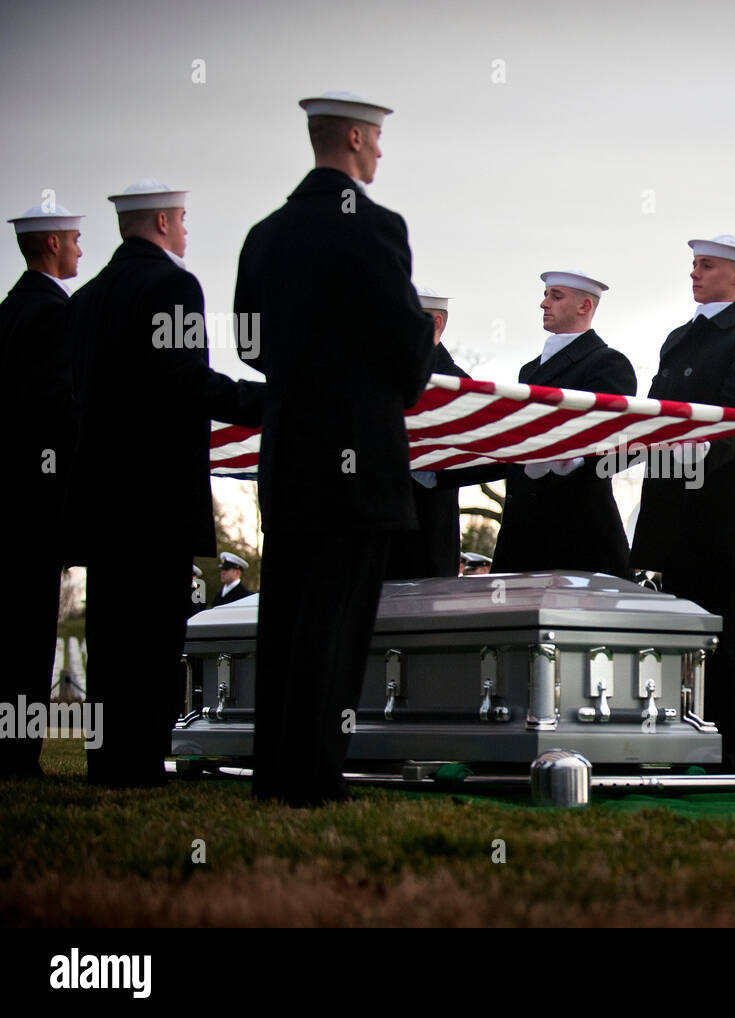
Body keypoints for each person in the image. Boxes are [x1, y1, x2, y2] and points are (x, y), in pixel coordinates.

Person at [234, 91, 435, 805]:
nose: (380, 152)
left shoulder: (264, 234)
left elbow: (249, 345)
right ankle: (313, 774)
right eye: (376, 140)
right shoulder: (376, 228)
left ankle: (273, 768)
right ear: (354, 138)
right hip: (357, 451)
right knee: (337, 618)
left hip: (289, 448)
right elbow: (405, 340)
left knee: (285, 613)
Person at [67, 180, 265, 788]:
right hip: (155, 493)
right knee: (153, 635)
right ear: (160, 223)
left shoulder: (87, 298)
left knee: (109, 632)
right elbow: (187, 380)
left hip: (101, 493)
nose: (185, 232)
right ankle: (142, 761)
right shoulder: (173, 285)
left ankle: (108, 760)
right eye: (181, 220)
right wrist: (268, 403)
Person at [631, 234, 735, 772]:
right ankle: (677, 754)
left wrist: (676, 458)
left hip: (725, 523)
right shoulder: (678, 339)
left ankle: (723, 763)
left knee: (725, 653)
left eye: (707, 266)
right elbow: (654, 410)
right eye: (693, 265)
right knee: (678, 650)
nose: (694, 274)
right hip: (675, 520)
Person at [0, 200, 83, 777]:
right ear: (51, 243)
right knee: (30, 632)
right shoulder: (56, 316)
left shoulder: (7, 312)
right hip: (38, 497)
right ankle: (17, 754)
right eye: (75, 239)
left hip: (9, 493)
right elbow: (62, 409)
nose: (80, 248)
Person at [490, 270, 636, 575]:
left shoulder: (606, 364)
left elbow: (615, 438)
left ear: (584, 307)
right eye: (546, 295)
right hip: (524, 527)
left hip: (577, 528)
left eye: (555, 296)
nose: (544, 304)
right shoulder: (529, 370)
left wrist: (569, 460)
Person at [385, 288, 470, 580]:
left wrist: (428, 472)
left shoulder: (459, 385)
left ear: (435, 324)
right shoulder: (383, 376)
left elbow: (476, 456)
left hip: (428, 530)